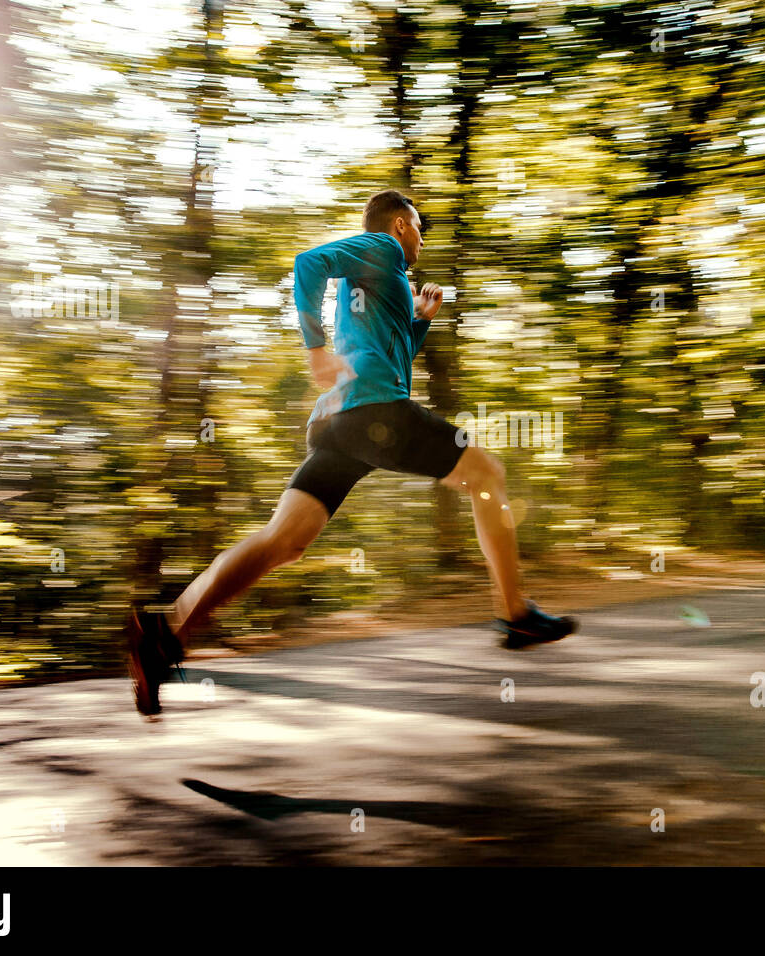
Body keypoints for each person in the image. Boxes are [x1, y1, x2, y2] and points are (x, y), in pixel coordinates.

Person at [126, 189, 577, 716]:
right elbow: (308, 262)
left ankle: (166, 633)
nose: (421, 239)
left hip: (343, 424)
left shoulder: (383, 282)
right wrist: (315, 348)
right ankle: (516, 613)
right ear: (400, 224)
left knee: (285, 541)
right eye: (419, 228)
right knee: (486, 472)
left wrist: (420, 320)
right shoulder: (382, 247)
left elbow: (393, 353)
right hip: (376, 412)